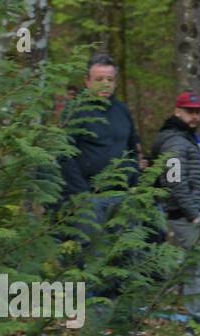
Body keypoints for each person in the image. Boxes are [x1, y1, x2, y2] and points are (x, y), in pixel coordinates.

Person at [152, 90, 200, 319]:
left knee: (194, 267)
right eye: (190, 112)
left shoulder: (186, 139)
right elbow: (173, 181)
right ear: (177, 111)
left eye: (198, 112)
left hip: (188, 211)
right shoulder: (175, 142)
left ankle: (194, 320)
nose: (195, 117)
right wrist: (192, 214)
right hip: (186, 214)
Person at [57, 54, 142, 231]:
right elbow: (65, 156)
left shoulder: (122, 110)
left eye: (109, 79)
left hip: (122, 195)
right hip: (89, 199)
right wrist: (82, 194)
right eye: (99, 79)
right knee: (91, 253)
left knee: (128, 253)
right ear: (87, 81)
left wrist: (133, 182)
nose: (105, 84)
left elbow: (133, 148)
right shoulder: (75, 112)